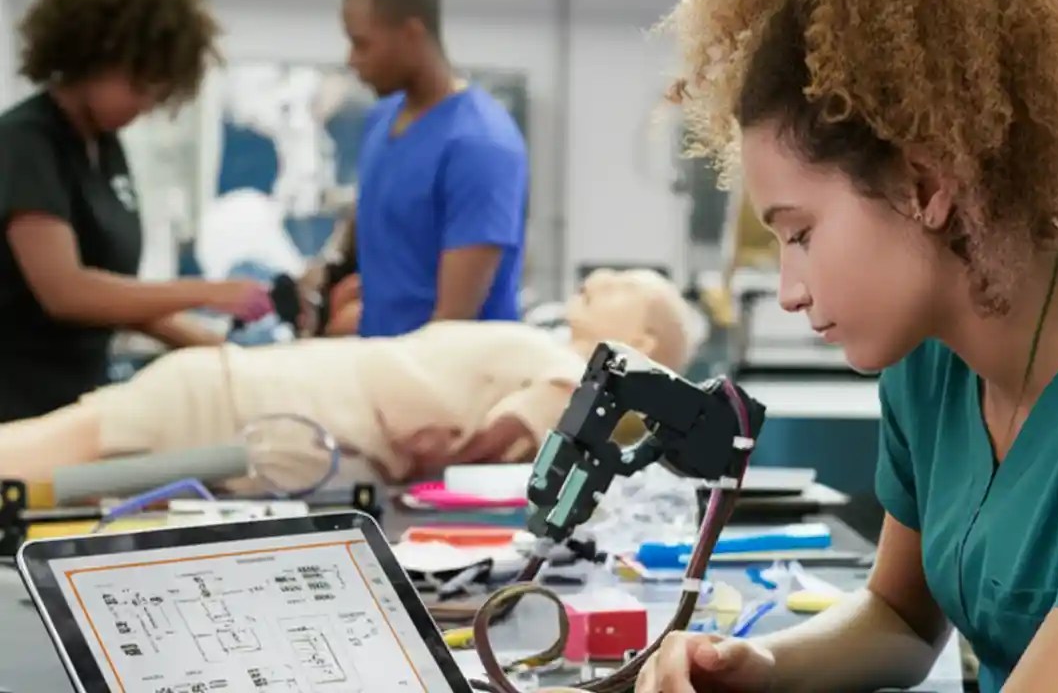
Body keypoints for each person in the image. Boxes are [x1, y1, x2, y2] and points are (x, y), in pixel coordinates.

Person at [640, 0, 1058, 692]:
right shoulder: (929, 368)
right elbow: (902, 618)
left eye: (801, 233)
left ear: (924, 187)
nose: (789, 291)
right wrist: (761, 670)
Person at [0, 269, 698, 493]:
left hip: (261, 406)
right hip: (260, 393)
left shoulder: (576, 370)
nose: (599, 277)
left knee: (51, 452)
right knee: (53, 454)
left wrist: (443, 461)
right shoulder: (545, 349)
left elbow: (514, 434)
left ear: (638, 346)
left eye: (622, 288)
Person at [0, 0, 274, 423]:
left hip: (76, 400)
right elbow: (67, 292)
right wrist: (205, 292)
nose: (145, 106)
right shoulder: (26, 144)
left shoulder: (105, 147)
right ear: (97, 54)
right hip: (16, 404)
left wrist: (227, 356)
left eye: (159, 94)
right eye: (141, 86)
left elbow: (119, 300)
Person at [341, 0, 529, 337]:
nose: (352, 60)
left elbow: (452, 325)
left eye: (362, 44)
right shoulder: (383, 119)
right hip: (383, 364)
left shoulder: (479, 143)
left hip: (455, 380)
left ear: (412, 33)